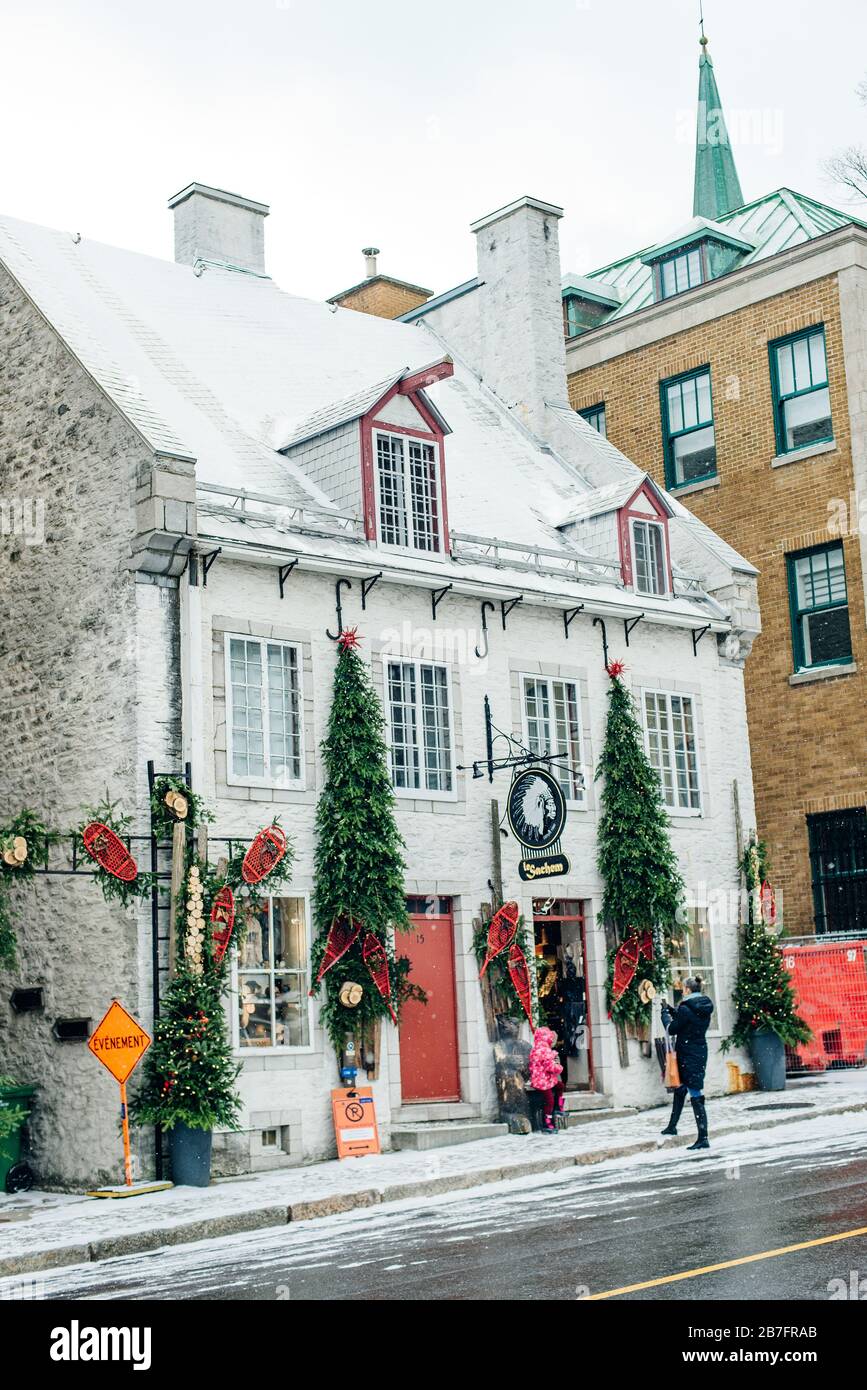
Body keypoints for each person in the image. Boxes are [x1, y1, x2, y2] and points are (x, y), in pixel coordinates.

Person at [660, 976, 714, 1150]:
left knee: (695, 1092)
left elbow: (674, 1028)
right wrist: (672, 1010)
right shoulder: (703, 1006)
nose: (682, 990)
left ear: (688, 990)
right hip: (699, 1051)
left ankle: (703, 1137)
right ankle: (672, 1126)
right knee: (682, 1088)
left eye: (683, 988)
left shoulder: (686, 1008)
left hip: (687, 1053)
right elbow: (688, 1021)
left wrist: (664, 1015)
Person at [529, 1025, 564, 1133]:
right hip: (543, 1081)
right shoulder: (545, 1051)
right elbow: (550, 1067)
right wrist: (559, 1068)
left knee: (559, 1086)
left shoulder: (536, 1049)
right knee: (549, 1100)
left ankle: (558, 1107)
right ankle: (547, 1122)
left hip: (540, 1078)